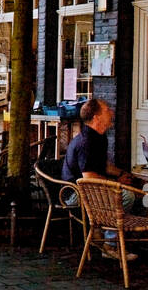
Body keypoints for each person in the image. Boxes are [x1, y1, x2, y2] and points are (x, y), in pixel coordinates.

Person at [61, 98, 142, 259]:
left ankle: (102, 233)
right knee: (125, 196)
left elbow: (103, 165)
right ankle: (109, 245)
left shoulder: (99, 136)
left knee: (128, 191)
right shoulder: (87, 141)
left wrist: (121, 174)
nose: (112, 113)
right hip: (74, 193)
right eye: (107, 111)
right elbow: (89, 178)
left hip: (87, 187)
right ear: (96, 117)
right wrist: (118, 184)